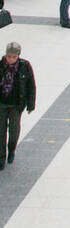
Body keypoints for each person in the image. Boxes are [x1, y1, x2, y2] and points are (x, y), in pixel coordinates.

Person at [0, 41, 36, 169]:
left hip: (16, 104)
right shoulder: (1, 65)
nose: (11, 59)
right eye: (9, 56)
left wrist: (31, 104)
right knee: (1, 131)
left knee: (14, 130)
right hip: (2, 103)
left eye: (14, 57)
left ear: (18, 56)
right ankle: (1, 156)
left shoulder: (24, 66)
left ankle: (12, 150)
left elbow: (31, 85)